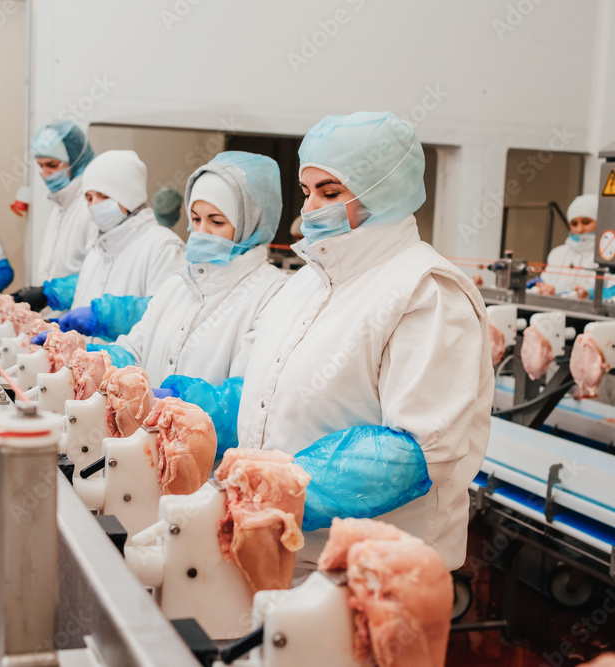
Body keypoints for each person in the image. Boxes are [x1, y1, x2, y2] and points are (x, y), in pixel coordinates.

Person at [164, 112, 493, 576]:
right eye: (307, 191)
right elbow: (267, 394)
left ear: (383, 190)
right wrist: (194, 407)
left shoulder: (426, 291)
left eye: (331, 192)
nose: (313, 207)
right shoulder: (309, 282)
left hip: (364, 572)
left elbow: (418, 449)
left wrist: (289, 487)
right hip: (278, 542)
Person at [62, 152, 288, 393]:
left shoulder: (271, 295)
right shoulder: (179, 284)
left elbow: (247, 396)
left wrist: (181, 402)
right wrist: (84, 356)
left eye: (217, 221)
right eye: (196, 219)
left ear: (250, 226)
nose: (202, 231)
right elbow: (135, 349)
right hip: (147, 431)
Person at [70, 150, 184, 313]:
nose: (94, 205)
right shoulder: (96, 250)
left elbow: (164, 320)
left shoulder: (164, 248)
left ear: (129, 196)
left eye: (103, 196)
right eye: (89, 198)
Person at [12, 121, 97, 309]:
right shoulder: (59, 206)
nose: (44, 173)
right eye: (40, 165)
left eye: (51, 164)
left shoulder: (91, 208)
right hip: (53, 318)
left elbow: (99, 276)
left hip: (78, 320)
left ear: (77, 159)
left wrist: (50, 294)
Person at [534, 194, 604, 298]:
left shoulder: (607, 257)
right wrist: (544, 288)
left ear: (601, 222)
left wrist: (590, 295)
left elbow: (611, 291)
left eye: (586, 222)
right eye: (574, 224)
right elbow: (546, 280)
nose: (579, 229)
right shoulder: (558, 253)